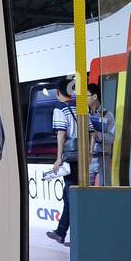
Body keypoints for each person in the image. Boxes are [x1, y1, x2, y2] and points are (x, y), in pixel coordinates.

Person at [46, 77, 78, 245]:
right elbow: (91, 132)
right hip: (82, 158)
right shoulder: (80, 107)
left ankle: (69, 234)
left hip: (70, 157)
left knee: (72, 197)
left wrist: (58, 157)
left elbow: (62, 133)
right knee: (71, 197)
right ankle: (61, 232)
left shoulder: (59, 108)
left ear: (58, 92)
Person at [87, 82, 114, 186]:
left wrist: (97, 134)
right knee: (86, 191)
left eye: (86, 96)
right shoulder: (84, 116)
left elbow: (112, 138)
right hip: (88, 158)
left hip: (103, 158)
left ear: (94, 96)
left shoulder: (107, 115)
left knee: (105, 189)